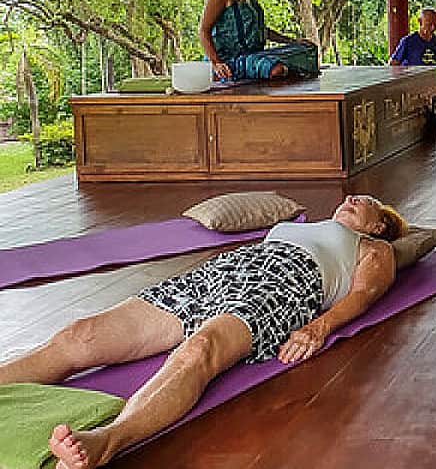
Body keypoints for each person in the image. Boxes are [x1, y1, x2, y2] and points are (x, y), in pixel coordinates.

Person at [0, 195, 405, 469]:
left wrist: (319, 327)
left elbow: (364, 294)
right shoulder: (297, 225)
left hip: (285, 283)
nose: (353, 199)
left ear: (379, 226)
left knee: (200, 350)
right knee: (80, 335)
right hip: (217, 274)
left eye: (366, 203)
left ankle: (106, 440)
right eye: (352, 197)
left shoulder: (373, 249)